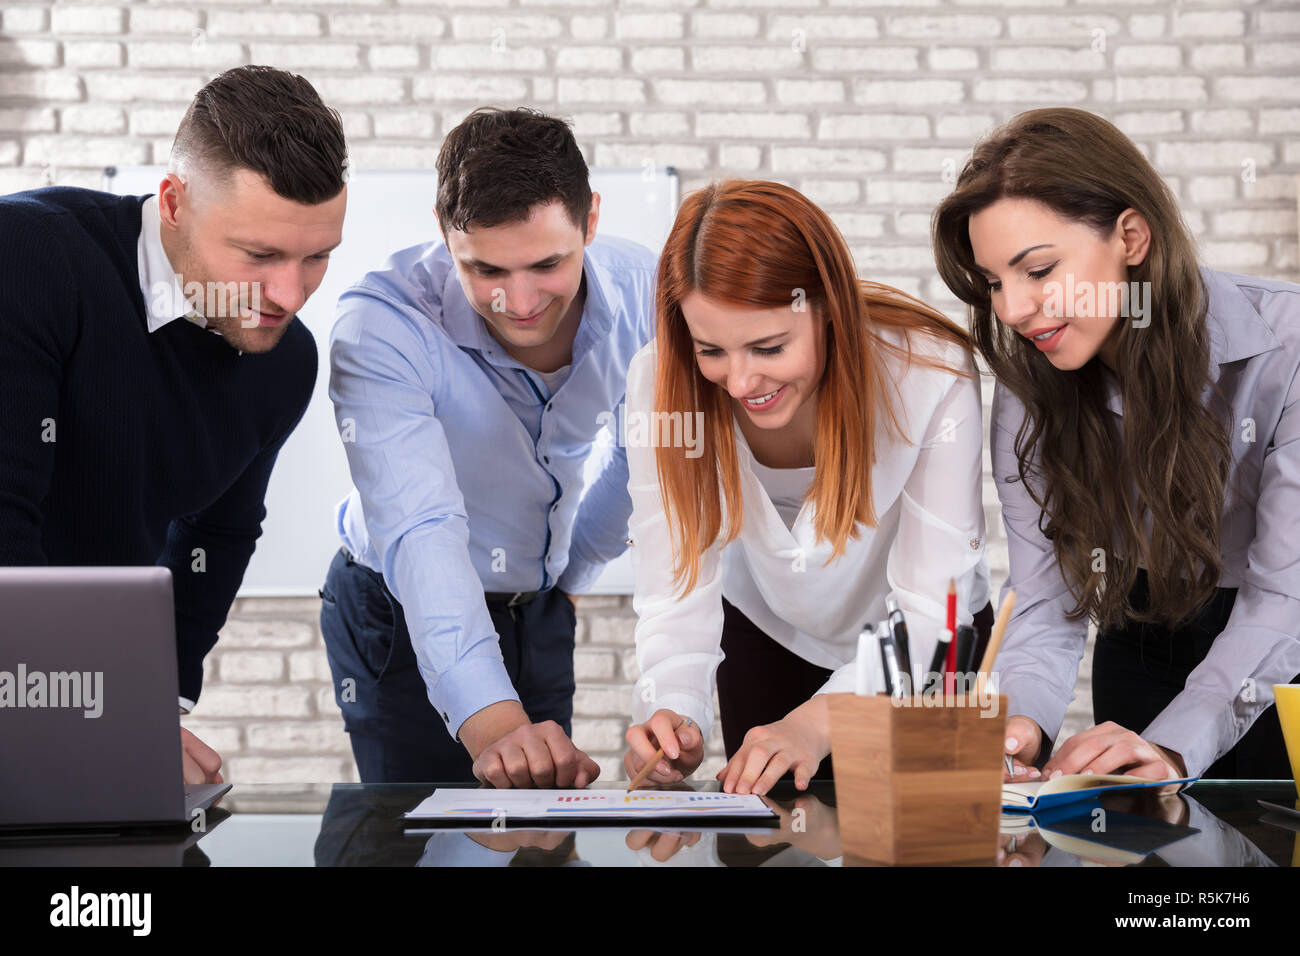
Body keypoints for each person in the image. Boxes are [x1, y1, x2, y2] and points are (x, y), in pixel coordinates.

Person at [0, 65, 347, 785]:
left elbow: (219, 531)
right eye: (259, 256)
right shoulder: (28, 256)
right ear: (173, 203)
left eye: (317, 257)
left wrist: (157, 698)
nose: (289, 295)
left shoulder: (285, 363)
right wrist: (98, 713)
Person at [932, 107, 1300, 783]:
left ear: (1131, 236)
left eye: (1036, 270)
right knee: (1147, 866)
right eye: (993, 282)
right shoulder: (1034, 380)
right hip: (1141, 637)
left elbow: (1284, 596)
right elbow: (1046, 595)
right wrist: (1018, 726)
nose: (1010, 310)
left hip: (1283, 657)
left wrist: (1175, 746)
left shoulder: (1289, 343)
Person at [621, 180, 992, 796]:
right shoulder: (660, 382)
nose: (740, 382)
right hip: (770, 632)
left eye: (769, 347)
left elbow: (933, 611)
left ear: (826, 309)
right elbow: (674, 588)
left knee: (931, 843)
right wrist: (674, 709)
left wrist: (818, 724)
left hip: (928, 642)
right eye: (711, 350)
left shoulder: (929, 373)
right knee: (771, 843)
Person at [323, 107, 657, 787]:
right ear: (446, 238)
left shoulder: (645, 291)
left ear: (590, 220)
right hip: (398, 607)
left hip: (537, 610)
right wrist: (496, 723)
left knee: (540, 836)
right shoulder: (382, 324)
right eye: (485, 270)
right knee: (412, 843)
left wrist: (569, 578)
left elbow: (643, 456)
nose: (520, 301)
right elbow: (423, 529)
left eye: (546, 263)